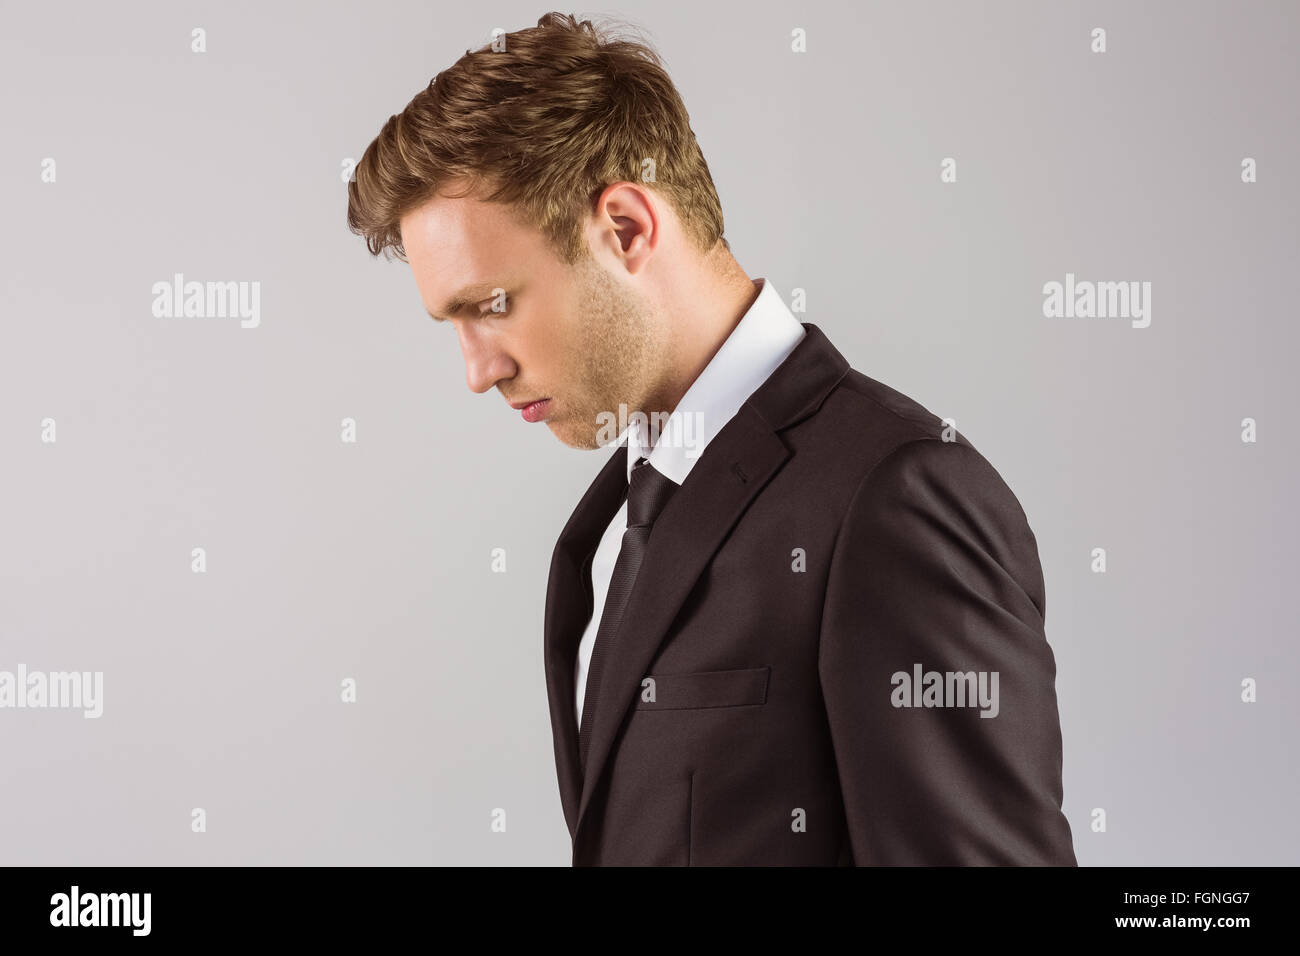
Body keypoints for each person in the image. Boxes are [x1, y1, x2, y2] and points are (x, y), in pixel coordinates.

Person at [347, 12, 1076, 866]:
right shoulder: (620, 511)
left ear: (626, 227)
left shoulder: (896, 498)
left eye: (490, 304)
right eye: (452, 322)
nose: (478, 369)